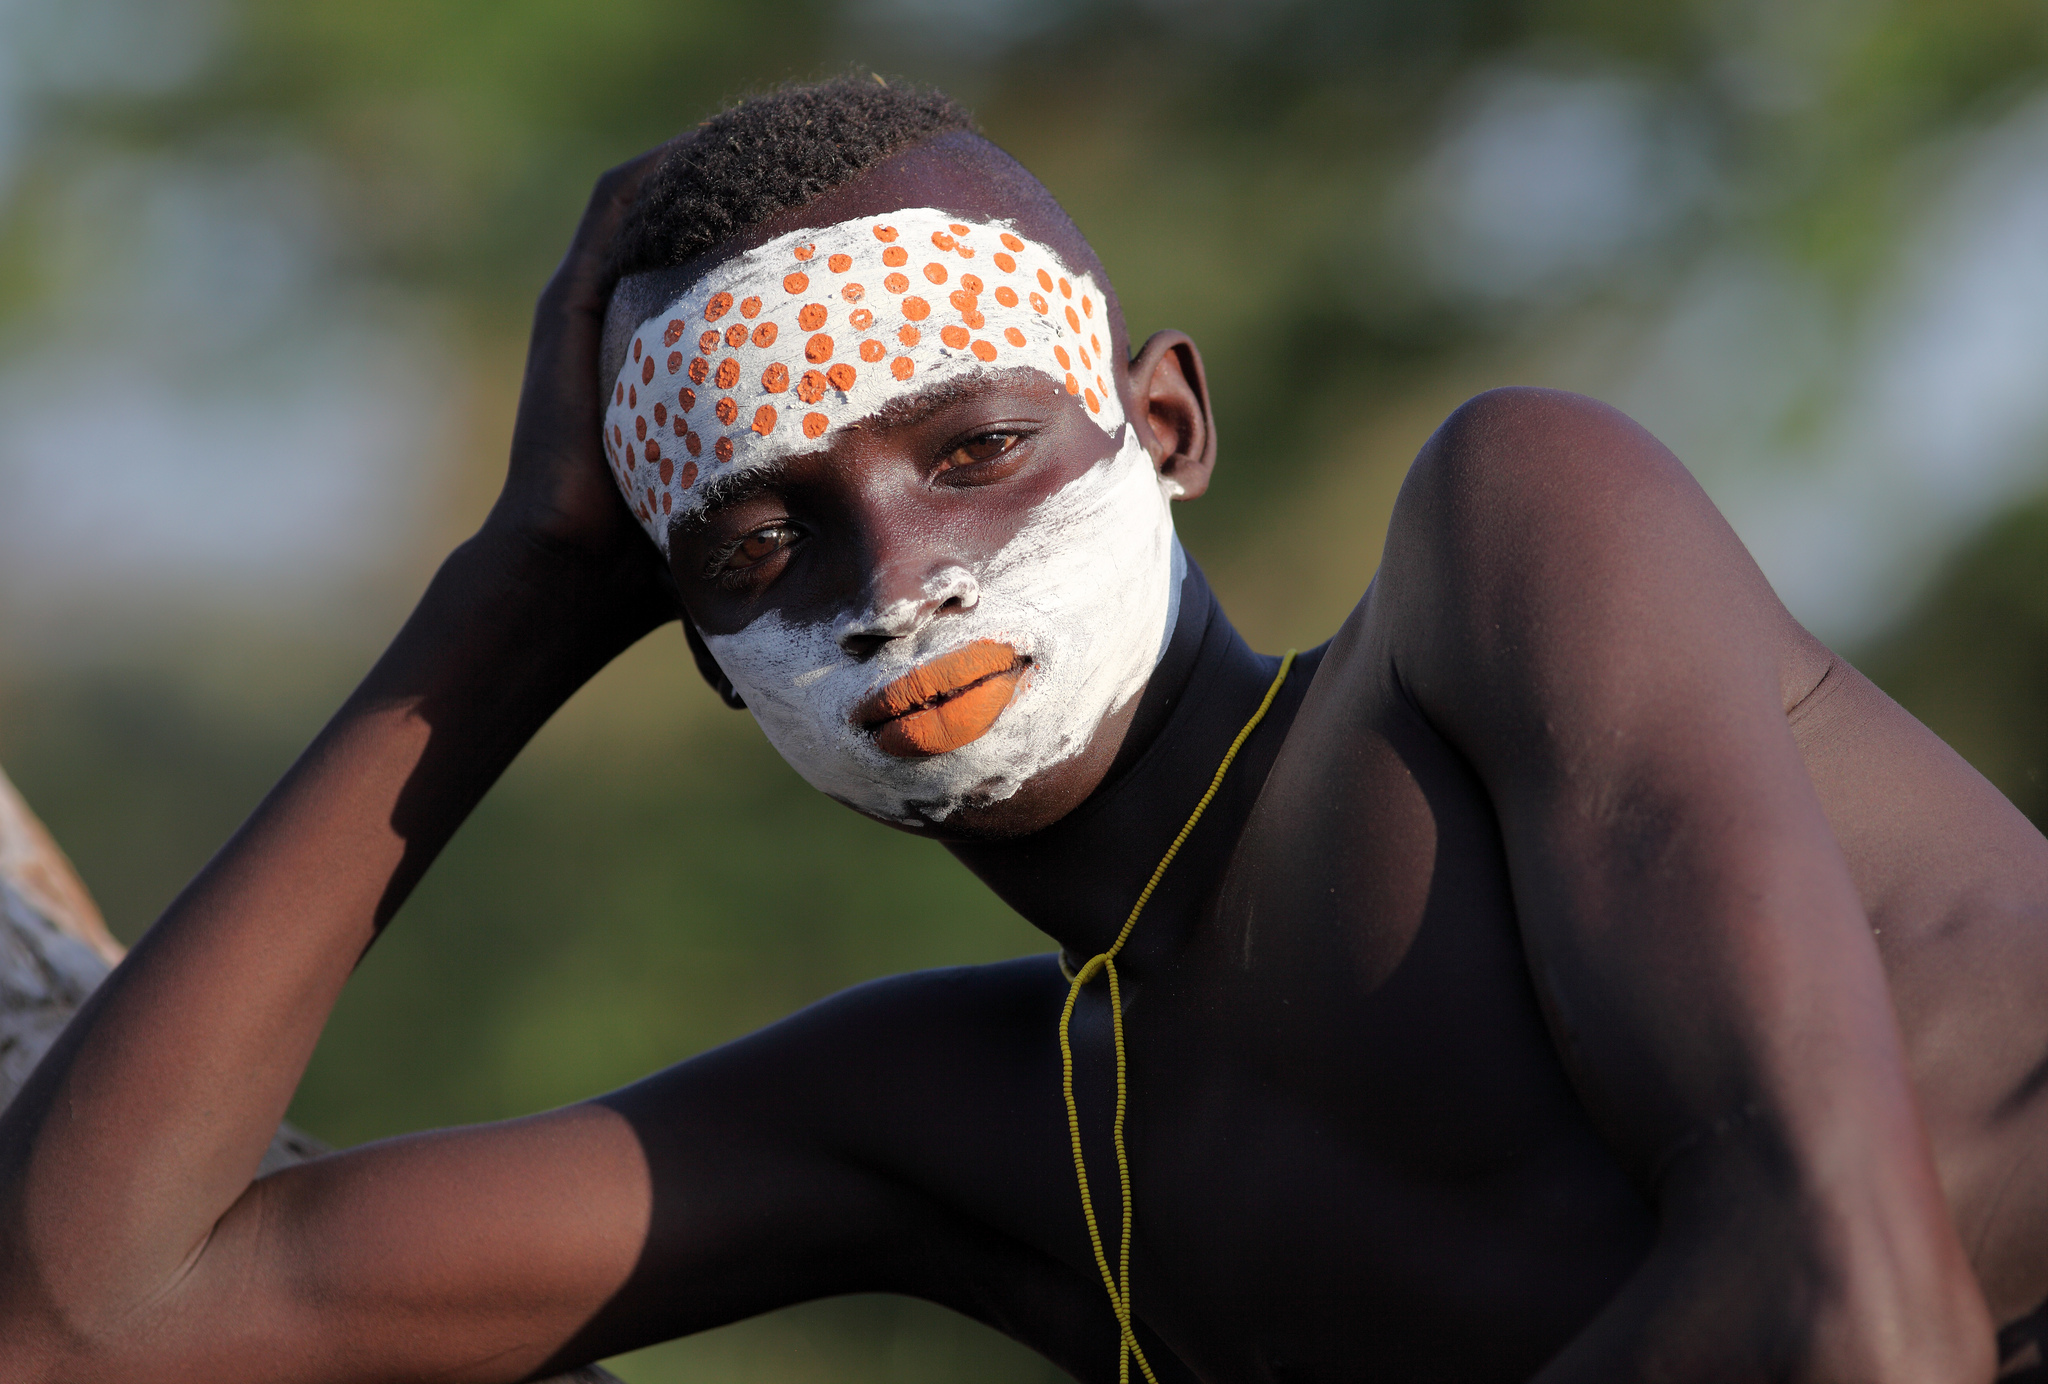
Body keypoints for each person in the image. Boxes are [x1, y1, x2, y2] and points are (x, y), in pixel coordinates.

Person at [0, 75, 2041, 1384]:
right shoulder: (977, 1124)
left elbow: (1844, 1310)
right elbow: (83, 1320)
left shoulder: (1513, 545)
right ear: (701, 651)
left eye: (973, 448)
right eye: (761, 544)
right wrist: (518, 593)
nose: (896, 579)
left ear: (1163, 425)